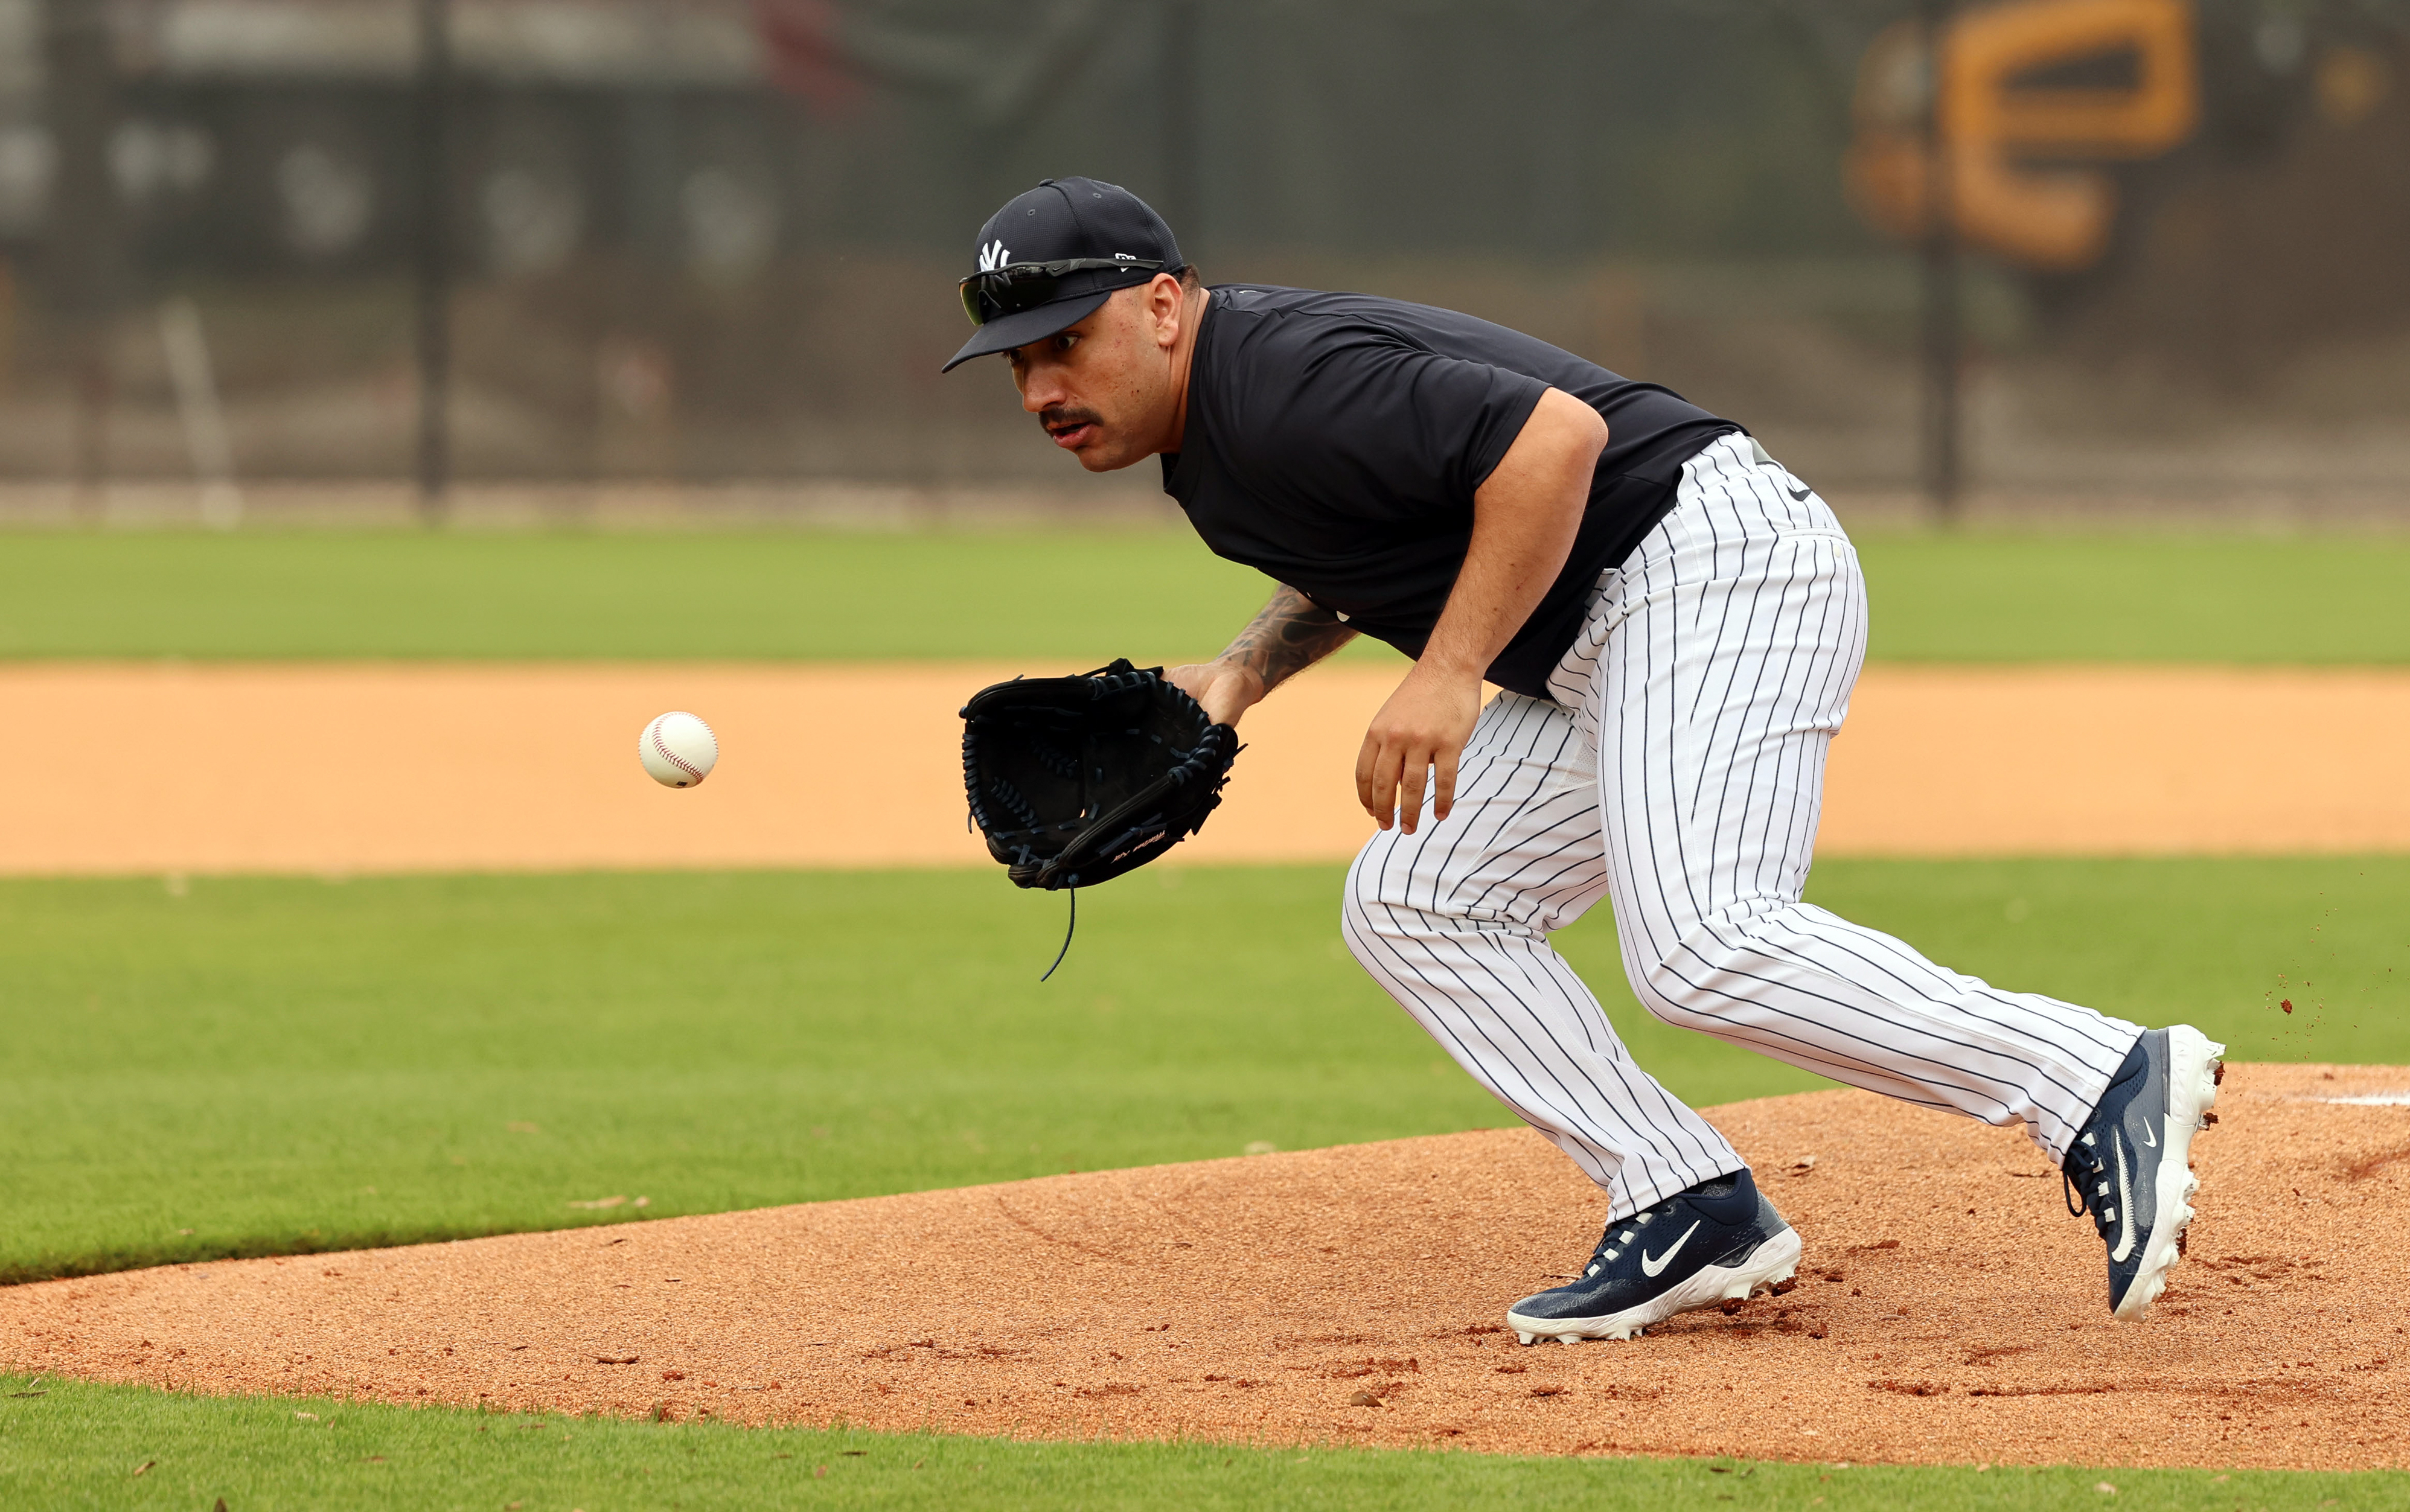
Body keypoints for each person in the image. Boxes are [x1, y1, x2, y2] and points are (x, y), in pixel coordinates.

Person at [942, 176, 2223, 1341]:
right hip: (1605, 628)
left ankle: (2093, 1073)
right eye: (1017, 361)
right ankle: (1684, 1195)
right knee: (1416, 900)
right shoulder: (1214, 442)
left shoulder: (1279, 375)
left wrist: (1445, 674)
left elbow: (1551, 443)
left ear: (1161, 307)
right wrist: (1238, 676)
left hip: (1706, 564)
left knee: (1702, 940)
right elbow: (1361, 533)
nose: (1042, 386)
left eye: (1067, 341)